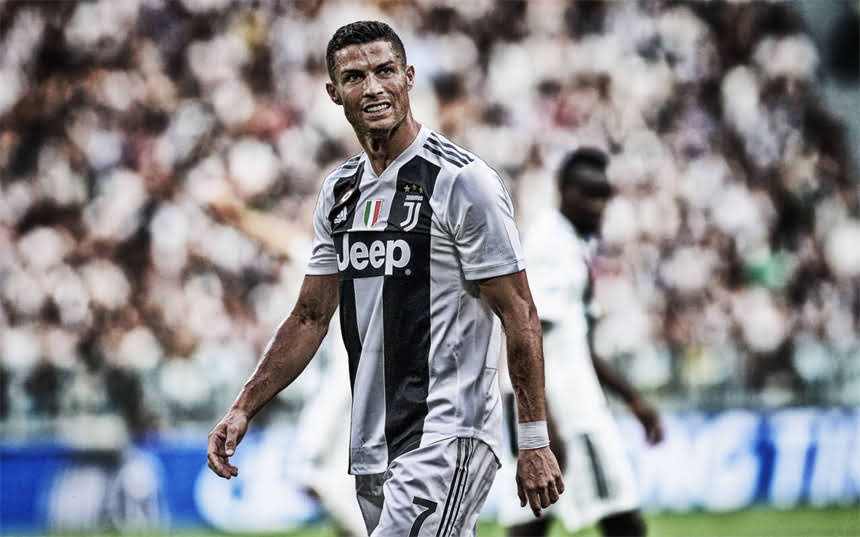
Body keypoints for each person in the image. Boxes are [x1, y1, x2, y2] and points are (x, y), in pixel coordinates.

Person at [206, 20, 564, 537]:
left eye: (385, 71)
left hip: (447, 429)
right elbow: (310, 316)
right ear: (334, 93)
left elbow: (519, 310)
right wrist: (243, 407)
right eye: (355, 77)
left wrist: (533, 438)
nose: (373, 87)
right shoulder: (340, 190)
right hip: (372, 439)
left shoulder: (463, 181)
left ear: (408, 77)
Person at [499, 147, 665, 537]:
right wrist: (540, 425)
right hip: (568, 414)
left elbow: (579, 344)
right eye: (588, 194)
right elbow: (526, 335)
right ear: (562, 189)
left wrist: (633, 399)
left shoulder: (570, 244)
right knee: (623, 520)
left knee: (533, 520)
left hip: (559, 407)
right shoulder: (549, 245)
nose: (597, 206)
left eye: (603, 195)